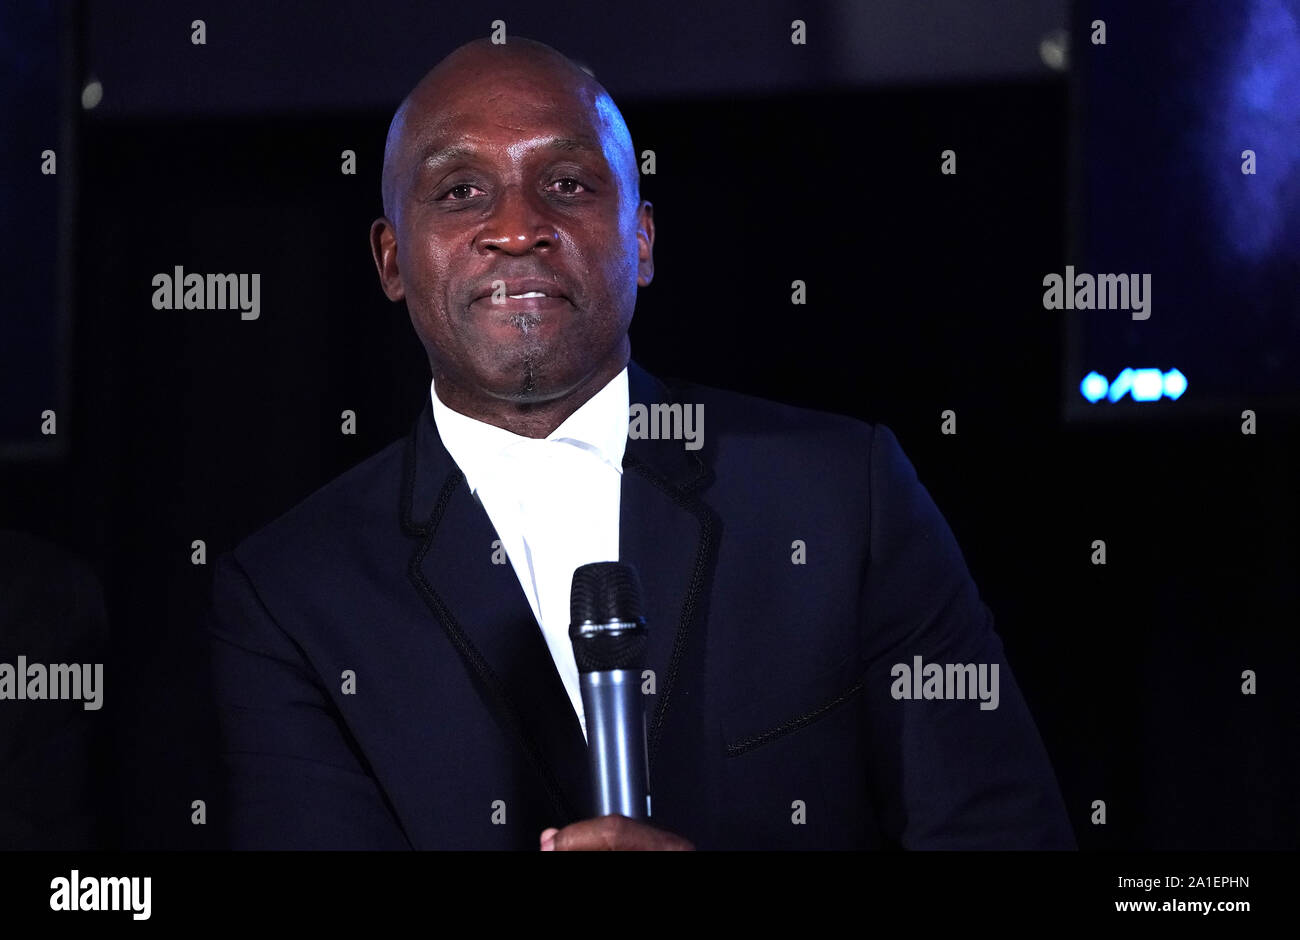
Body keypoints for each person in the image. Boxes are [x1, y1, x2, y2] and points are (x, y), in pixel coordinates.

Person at [206, 36, 1075, 850]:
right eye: (461, 191)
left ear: (643, 240)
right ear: (392, 261)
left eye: (570, 185)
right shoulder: (292, 592)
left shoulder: (846, 497)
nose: (518, 227)